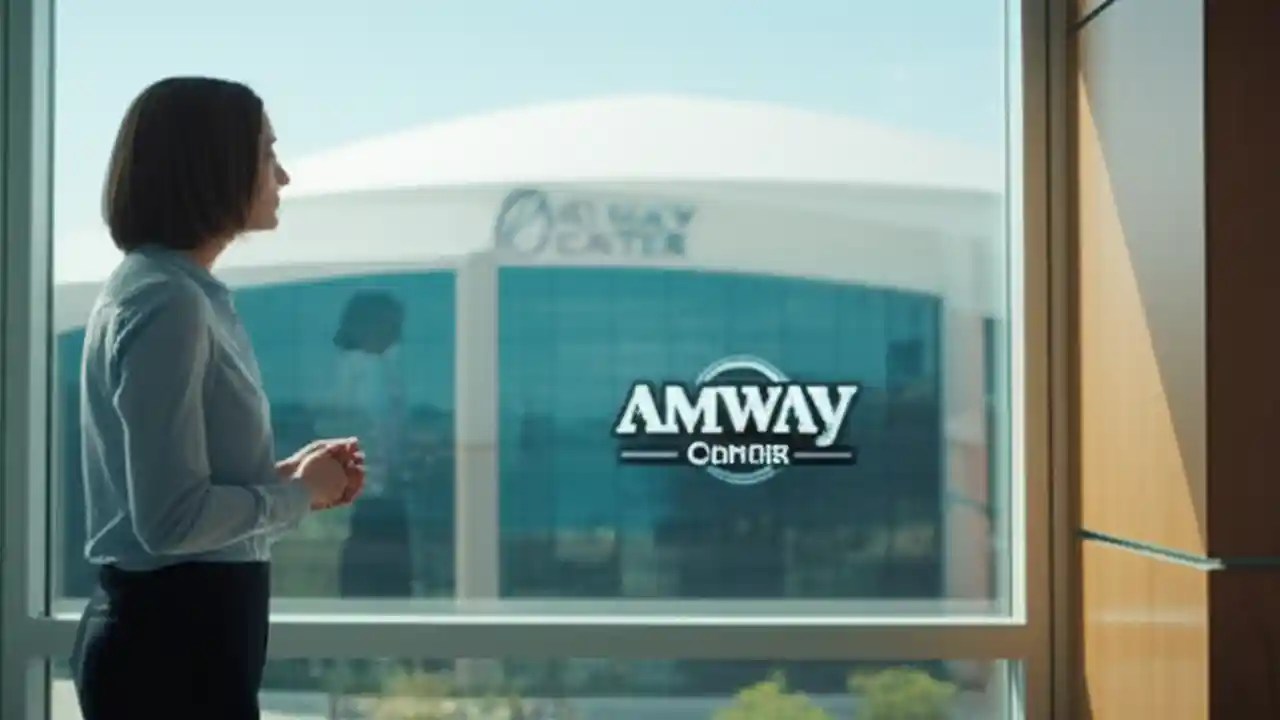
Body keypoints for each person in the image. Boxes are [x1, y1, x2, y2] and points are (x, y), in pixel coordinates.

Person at [68, 76, 367, 720]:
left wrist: (287, 478)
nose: (282, 176)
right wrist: (297, 494)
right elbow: (171, 521)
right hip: (172, 652)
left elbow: (174, 499)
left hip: (182, 641)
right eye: (267, 153)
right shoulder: (169, 302)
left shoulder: (161, 290)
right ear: (214, 165)